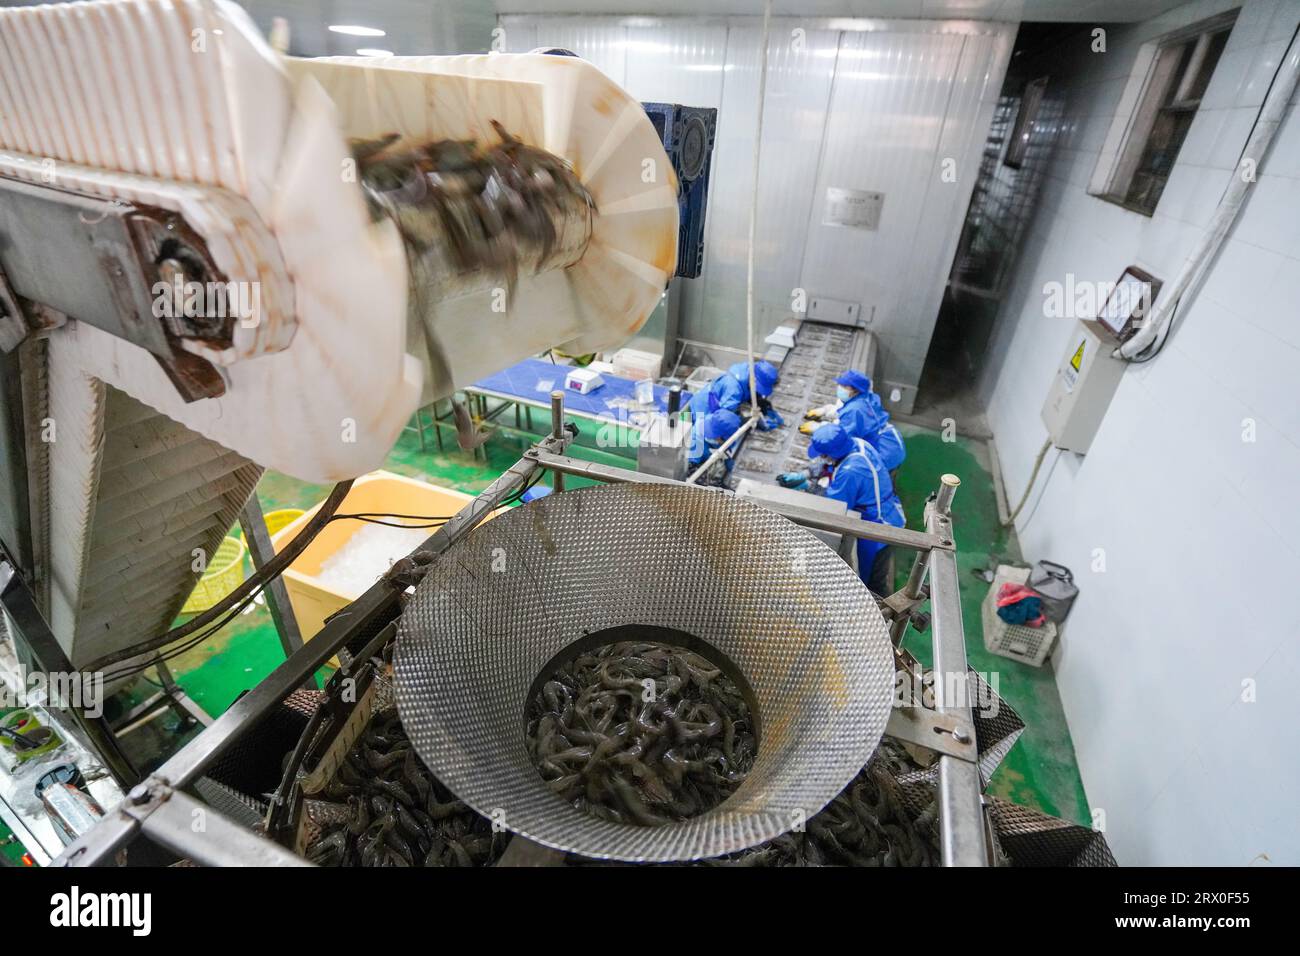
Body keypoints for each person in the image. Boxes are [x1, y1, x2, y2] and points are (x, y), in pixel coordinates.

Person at [777, 422, 905, 595]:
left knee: (871, 583)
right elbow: (830, 464)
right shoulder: (857, 444)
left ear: (833, 453)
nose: (822, 457)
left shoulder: (851, 471)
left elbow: (836, 506)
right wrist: (807, 473)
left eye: (824, 454)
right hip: (886, 508)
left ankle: (878, 615)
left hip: (878, 525)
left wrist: (809, 486)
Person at [801, 369, 905, 471]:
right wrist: (825, 410)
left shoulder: (856, 410)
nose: (840, 388)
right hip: (893, 442)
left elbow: (842, 438)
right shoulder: (865, 398)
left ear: (855, 390)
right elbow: (848, 411)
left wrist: (819, 428)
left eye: (844, 386)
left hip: (885, 453)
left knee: (868, 476)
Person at [688, 360, 783, 431]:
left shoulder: (748, 371)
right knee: (711, 433)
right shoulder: (733, 389)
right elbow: (725, 417)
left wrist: (761, 404)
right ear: (754, 380)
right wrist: (749, 421)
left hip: (715, 402)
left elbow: (748, 390)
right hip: (703, 410)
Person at [687, 409, 743, 484]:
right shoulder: (695, 443)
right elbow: (690, 470)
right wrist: (715, 484)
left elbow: (730, 444)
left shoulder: (715, 421)